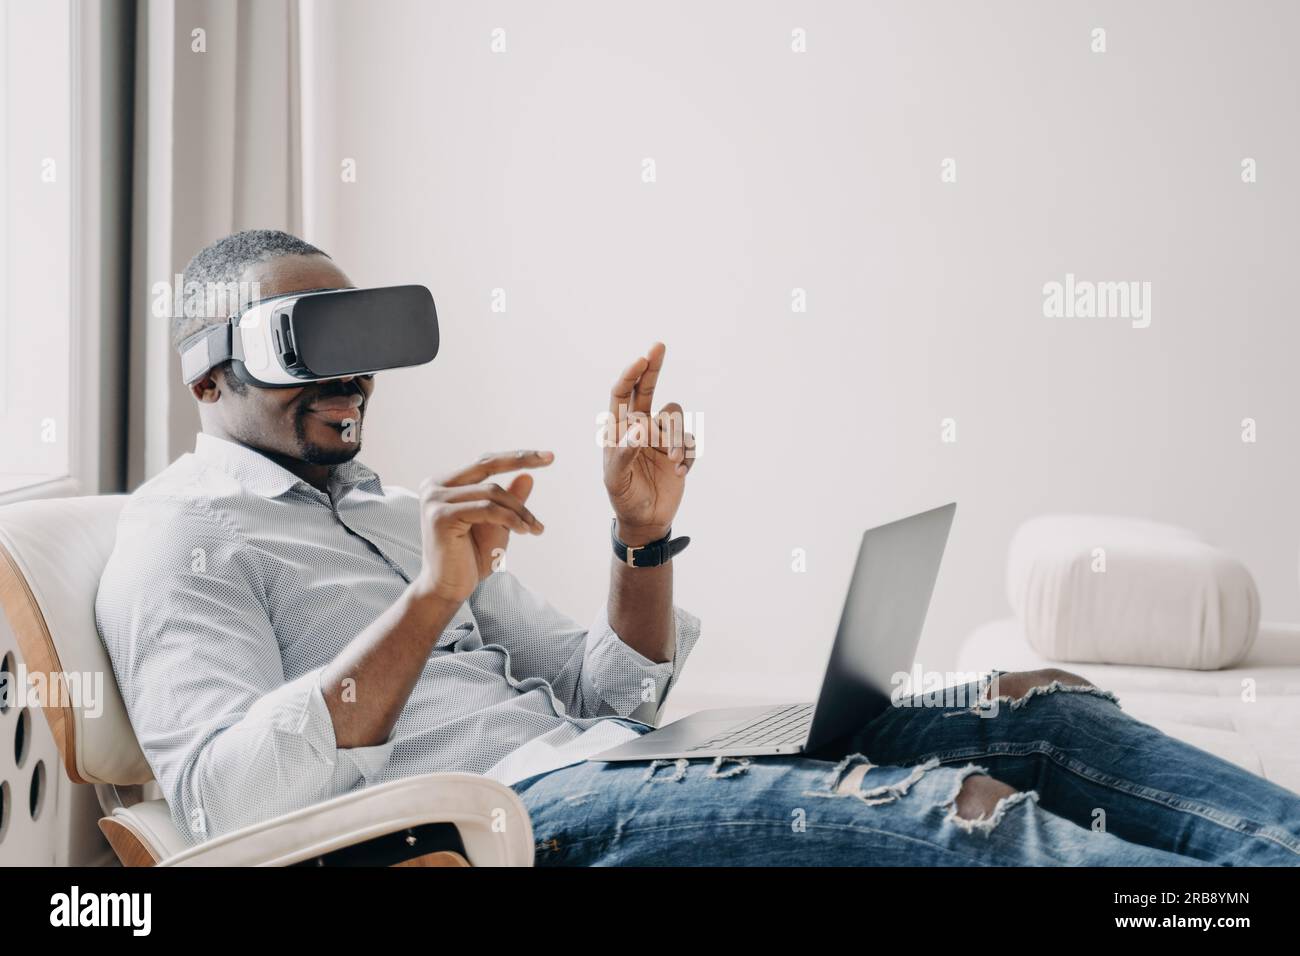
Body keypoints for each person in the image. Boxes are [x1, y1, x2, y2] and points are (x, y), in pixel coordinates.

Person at [96, 229, 1300, 865]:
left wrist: (640, 535)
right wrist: (420, 606)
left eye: (366, 341)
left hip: (614, 758)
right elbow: (219, 804)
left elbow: (618, 688)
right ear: (210, 365)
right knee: (959, 812)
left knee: (1039, 710)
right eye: (317, 342)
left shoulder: (394, 506)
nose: (356, 375)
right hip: (509, 822)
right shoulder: (176, 542)